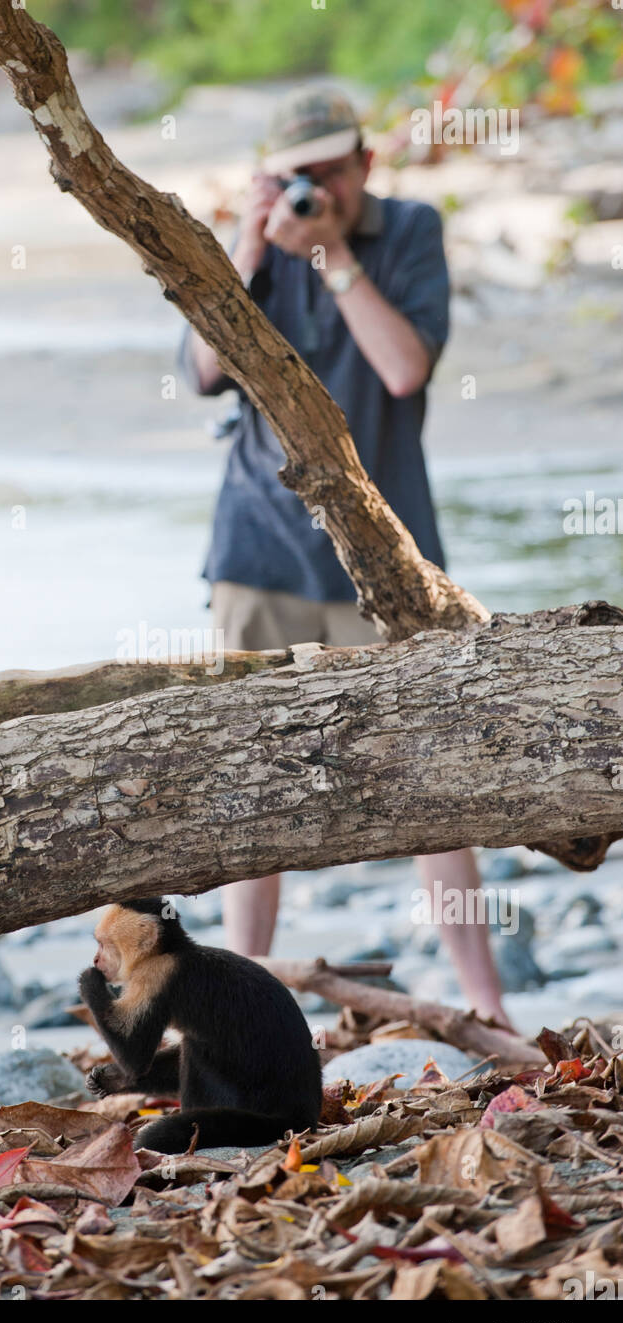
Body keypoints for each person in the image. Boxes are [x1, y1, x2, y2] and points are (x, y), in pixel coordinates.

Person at [179, 84, 512, 1029]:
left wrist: (329, 258)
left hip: (392, 553)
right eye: (296, 178)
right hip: (259, 546)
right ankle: (237, 999)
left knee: (434, 780)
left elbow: (404, 367)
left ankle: (482, 997)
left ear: (365, 164)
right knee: (257, 779)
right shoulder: (255, 241)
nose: (313, 192)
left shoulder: (406, 233)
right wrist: (246, 249)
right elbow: (203, 371)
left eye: (330, 172)